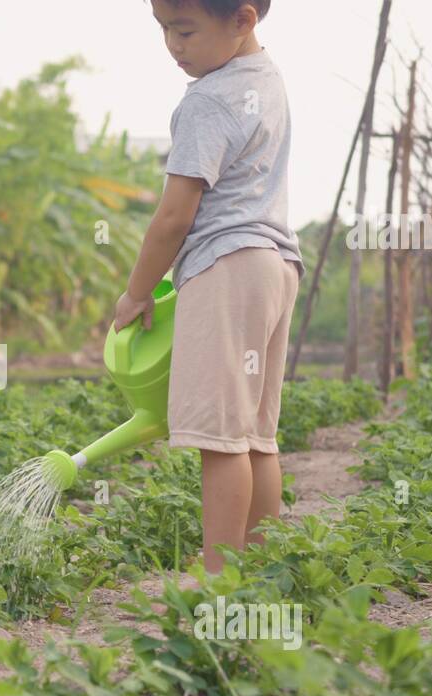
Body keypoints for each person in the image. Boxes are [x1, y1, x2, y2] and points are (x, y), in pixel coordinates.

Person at [111, 0, 304, 575]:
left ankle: (219, 577)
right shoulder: (267, 78)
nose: (172, 44)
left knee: (220, 438)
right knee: (255, 435)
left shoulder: (208, 99)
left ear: (243, 20)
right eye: (164, 29)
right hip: (276, 266)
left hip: (226, 266)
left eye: (185, 29)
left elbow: (174, 216)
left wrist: (138, 291)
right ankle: (260, 569)